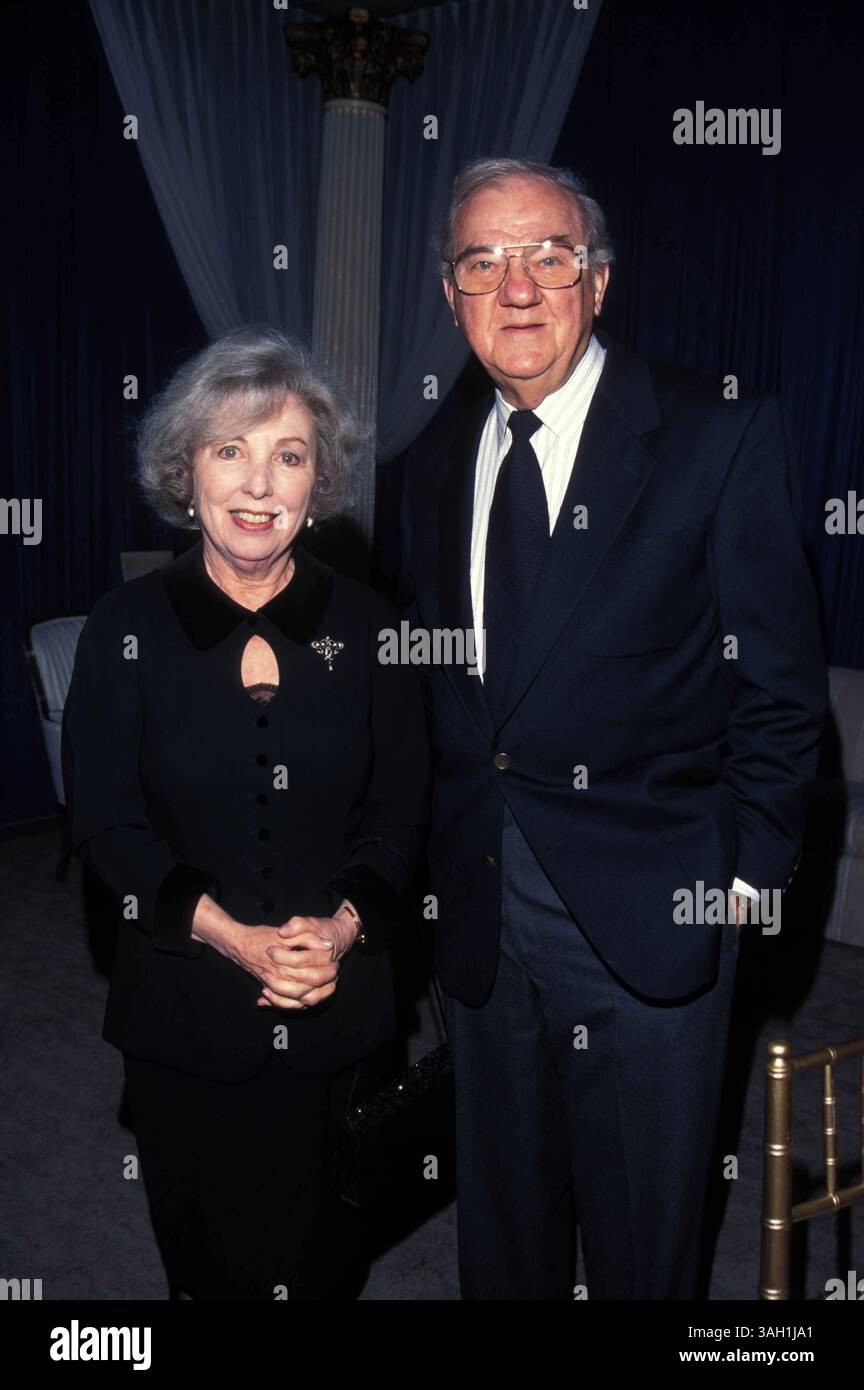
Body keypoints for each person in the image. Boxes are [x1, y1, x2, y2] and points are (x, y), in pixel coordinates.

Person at [397, 156, 827, 1299]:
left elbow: (780, 692)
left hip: (653, 916)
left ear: (600, 279)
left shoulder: (715, 435)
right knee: (506, 1230)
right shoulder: (428, 465)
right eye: (484, 261)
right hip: (485, 919)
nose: (519, 285)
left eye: (550, 255)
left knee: (644, 1244)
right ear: (451, 296)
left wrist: (744, 887)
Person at [61, 326, 430, 1300]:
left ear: (319, 485)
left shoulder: (375, 627)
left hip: (340, 1014)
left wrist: (340, 930)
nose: (260, 483)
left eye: (290, 454)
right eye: (232, 449)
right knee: (209, 1266)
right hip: (183, 1011)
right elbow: (107, 823)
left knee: (320, 1266)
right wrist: (234, 938)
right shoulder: (123, 630)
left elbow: (403, 809)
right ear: (188, 471)